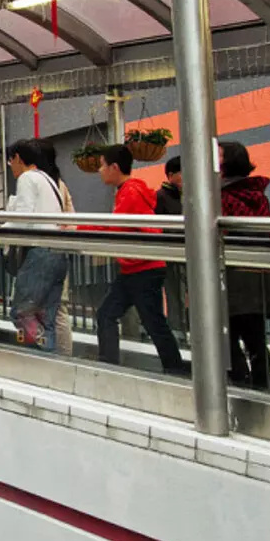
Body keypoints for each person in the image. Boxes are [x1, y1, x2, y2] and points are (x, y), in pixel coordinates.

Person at [91, 145, 185, 373]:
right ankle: (110, 365)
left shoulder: (130, 192)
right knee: (110, 314)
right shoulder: (129, 190)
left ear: (114, 167)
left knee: (151, 322)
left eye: (102, 165)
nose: (100, 171)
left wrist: (79, 226)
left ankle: (175, 370)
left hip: (142, 268)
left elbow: (120, 227)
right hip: (136, 267)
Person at [220, 141, 270, 389]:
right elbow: (268, 232)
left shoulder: (219, 197)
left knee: (221, 328)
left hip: (230, 273)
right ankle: (260, 382)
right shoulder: (259, 196)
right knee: (254, 333)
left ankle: (239, 377)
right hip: (258, 271)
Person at [4, 139, 68, 350]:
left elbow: (24, 216)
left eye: (10, 161)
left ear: (18, 158)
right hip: (58, 254)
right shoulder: (48, 180)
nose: (10, 165)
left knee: (21, 313)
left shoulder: (27, 178)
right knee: (45, 319)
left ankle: (40, 354)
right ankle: (47, 360)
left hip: (40, 254)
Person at [35, 138, 77, 356]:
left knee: (54, 308)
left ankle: (58, 356)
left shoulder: (40, 183)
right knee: (56, 307)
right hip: (58, 252)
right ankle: (58, 354)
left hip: (45, 253)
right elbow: (71, 218)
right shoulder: (58, 182)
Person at [154, 155, 188, 341]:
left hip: (187, 253)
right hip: (171, 253)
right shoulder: (161, 196)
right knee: (175, 295)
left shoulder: (188, 195)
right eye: (182, 173)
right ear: (171, 175)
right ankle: (178, 333)